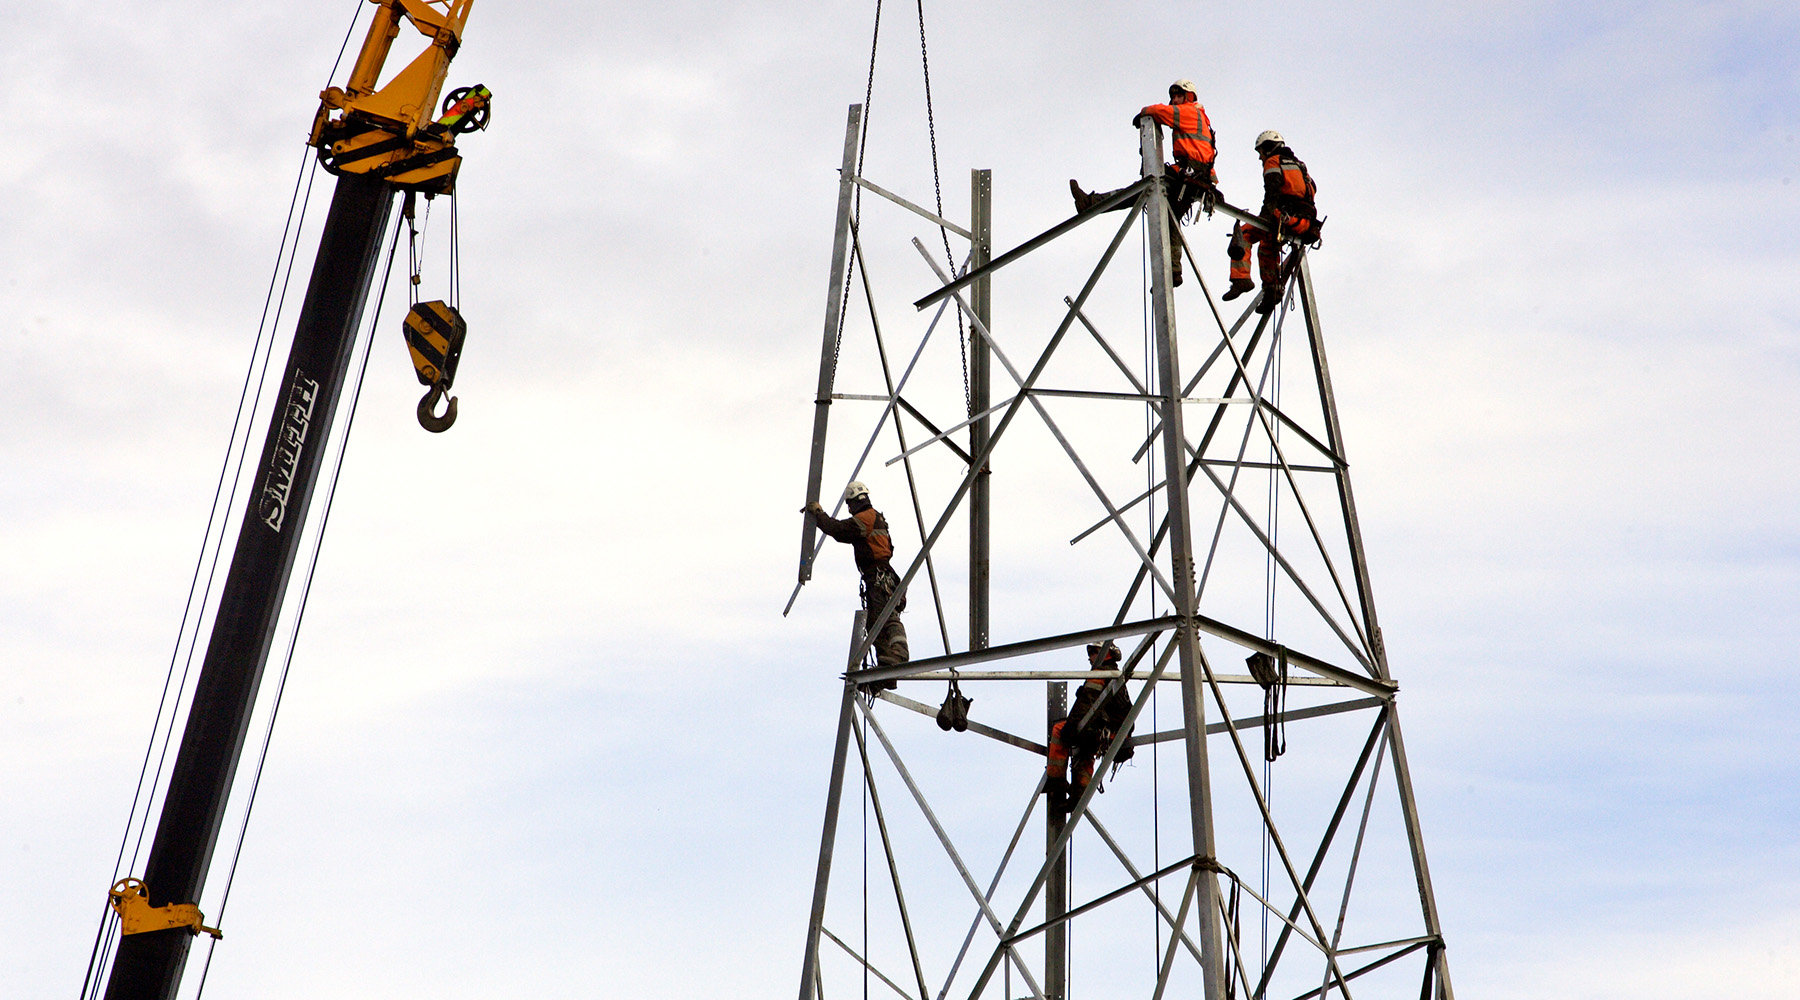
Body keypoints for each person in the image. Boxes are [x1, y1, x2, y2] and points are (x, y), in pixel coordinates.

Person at [1068, 79, 1218, 285]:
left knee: (1151, 195)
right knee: (1162, 209)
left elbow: (1157, 111)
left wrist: (1144, 114)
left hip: (1192, 176)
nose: (1175, 100)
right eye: (1173, 96)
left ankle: (1091, 203)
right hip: (1192, 175)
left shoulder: (1189, 112)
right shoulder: (1197, 117)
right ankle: (1174, 271)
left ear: (1189, 96)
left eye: (1179, 95)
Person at [805, 482, 909, 683]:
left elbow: (839, 530)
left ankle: (897, 656)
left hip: (878, 577)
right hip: (882, 577)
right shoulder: (876, 518)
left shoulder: (866, 518)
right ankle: (887, 668)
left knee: (884, 619)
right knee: (877, 621)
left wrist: (818, 513)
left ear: (853, 502)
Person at [1222, 130, 1320, 315]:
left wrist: (1264, 218)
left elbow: (1272, 192)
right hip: (1305, 225)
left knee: (1244, 234)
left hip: (1285, 218)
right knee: (1267, 246)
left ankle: (1241, 279)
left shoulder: (1273, 161)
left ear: (1268, 148)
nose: (1260, 157)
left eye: (1260, 152)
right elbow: (1311, 192)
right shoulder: (1301, 166)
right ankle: (1272, 292)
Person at [1044, 641, 1135, 813]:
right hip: (1114, 734)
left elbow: (1085, 704)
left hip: (1105, 731)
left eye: (1093, 652)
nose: (1090, 657)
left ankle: (1056, 781)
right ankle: (1079, 797)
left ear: (1105, 653)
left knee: (1060, 730)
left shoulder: (1101, 673)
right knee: (1086, 750)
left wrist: (1070, 728)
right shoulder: (1115, 676)